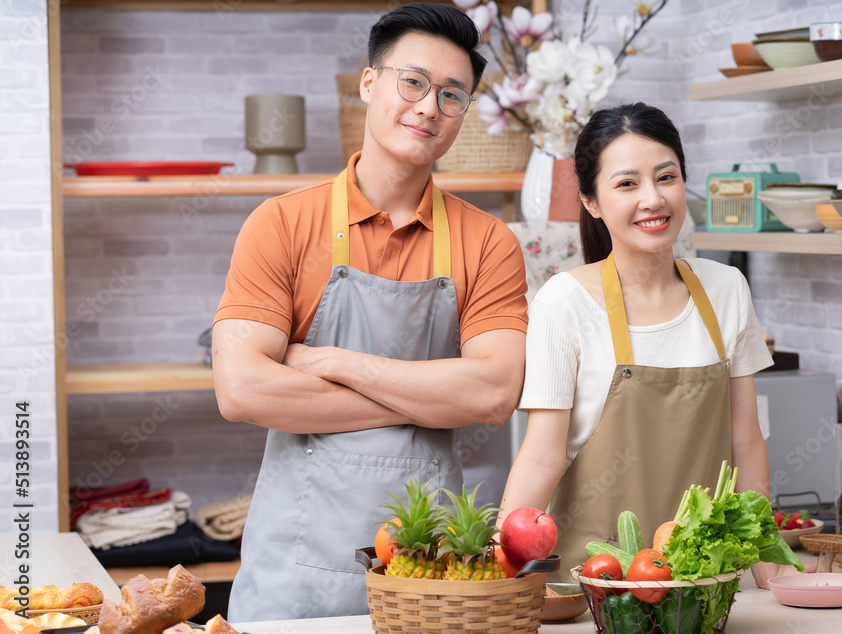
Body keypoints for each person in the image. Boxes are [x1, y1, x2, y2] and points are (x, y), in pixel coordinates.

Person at [212, 3, 528, 620]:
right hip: (292, 580)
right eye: (413, 81)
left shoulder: (489, 241)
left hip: (433, 577)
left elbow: (491, 395)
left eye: (453, 95)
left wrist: (332, 362)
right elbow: (242, 390)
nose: (429, 106)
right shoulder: (280, 223)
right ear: (368, 81)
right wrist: (429, 401)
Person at [499, 102, 801, 588]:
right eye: (626, 184)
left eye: (666, 177)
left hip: (702, 585)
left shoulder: (726, 289)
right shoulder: (565, 301)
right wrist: (502, 568)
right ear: (592, 201)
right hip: (593, 588)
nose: (653, 199)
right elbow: (541, 456)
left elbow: (745, 442)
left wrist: (768, 567)